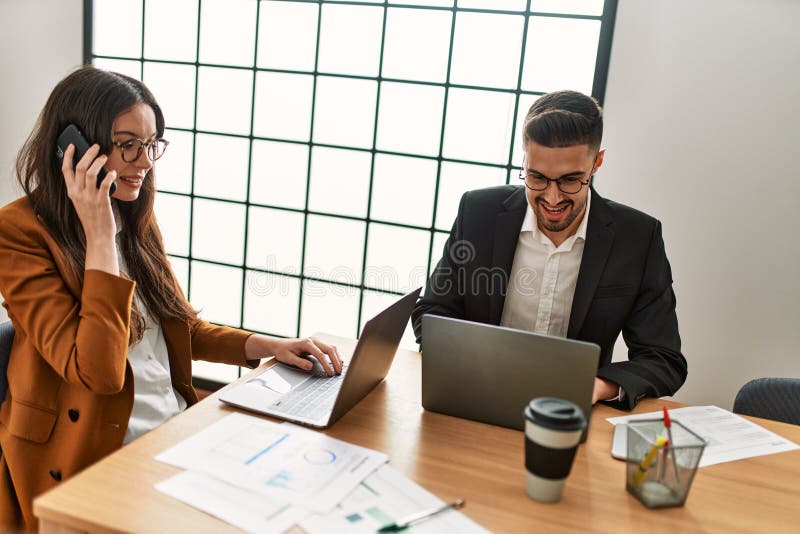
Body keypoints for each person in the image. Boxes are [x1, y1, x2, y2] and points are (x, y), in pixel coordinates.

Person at [0, 66, 342, 531]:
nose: (145, 162)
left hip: (171, 431)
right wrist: (99, 236)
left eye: (152, 144)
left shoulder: (131, 215)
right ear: (76, 148)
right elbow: (97, 372)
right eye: (128, 145)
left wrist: (270, 346)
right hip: (91, 458)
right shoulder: (20, 232)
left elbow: (177, 327)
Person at [412, 90, 686, 410]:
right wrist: (469, 363)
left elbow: (663, 357)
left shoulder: (637, 237)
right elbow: (432, 311)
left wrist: (598, 386)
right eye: (537, 177)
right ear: (524, 161)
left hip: (569, 413)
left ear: (596, 163)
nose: (552, 198)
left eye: (570, 180)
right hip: (477, 394)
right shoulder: (478, 213)